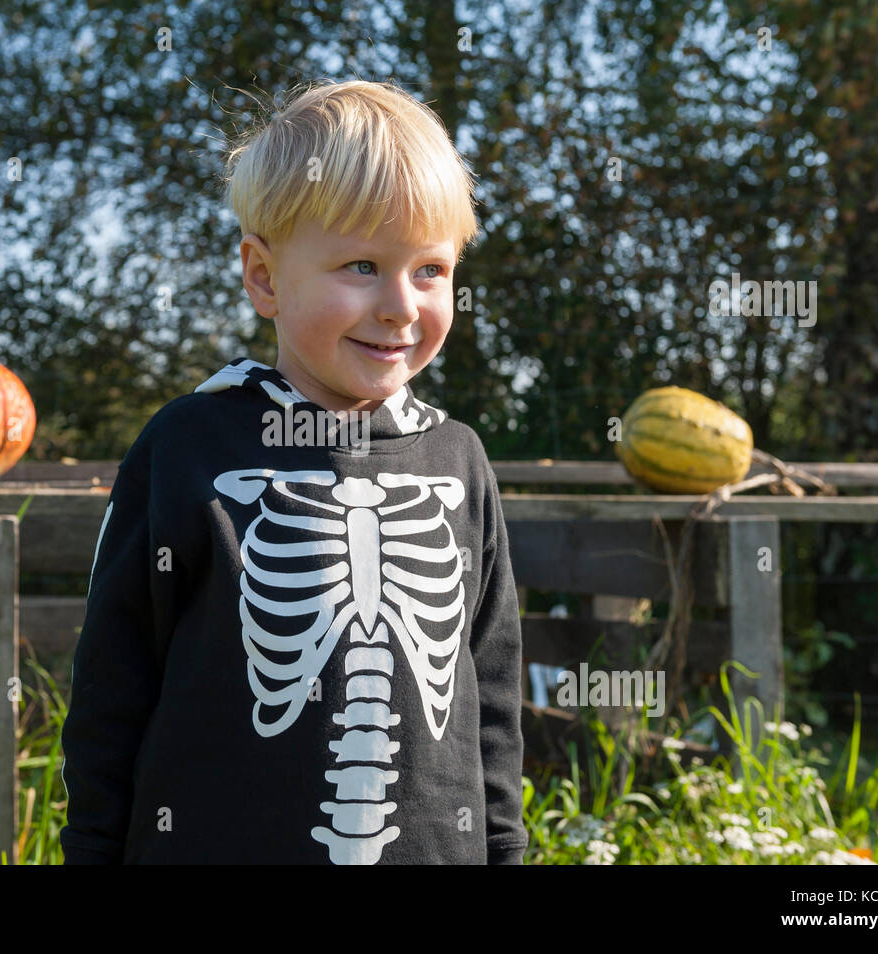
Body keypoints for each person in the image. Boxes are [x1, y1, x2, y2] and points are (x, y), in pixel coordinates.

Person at [60, 78, 528, 864]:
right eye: (361, 265)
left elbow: (493, 696)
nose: (401, 307)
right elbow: (111, 688)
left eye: (431, 270)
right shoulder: (187, 449)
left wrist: (504, 851)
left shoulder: (459, 460)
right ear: (264, 277)